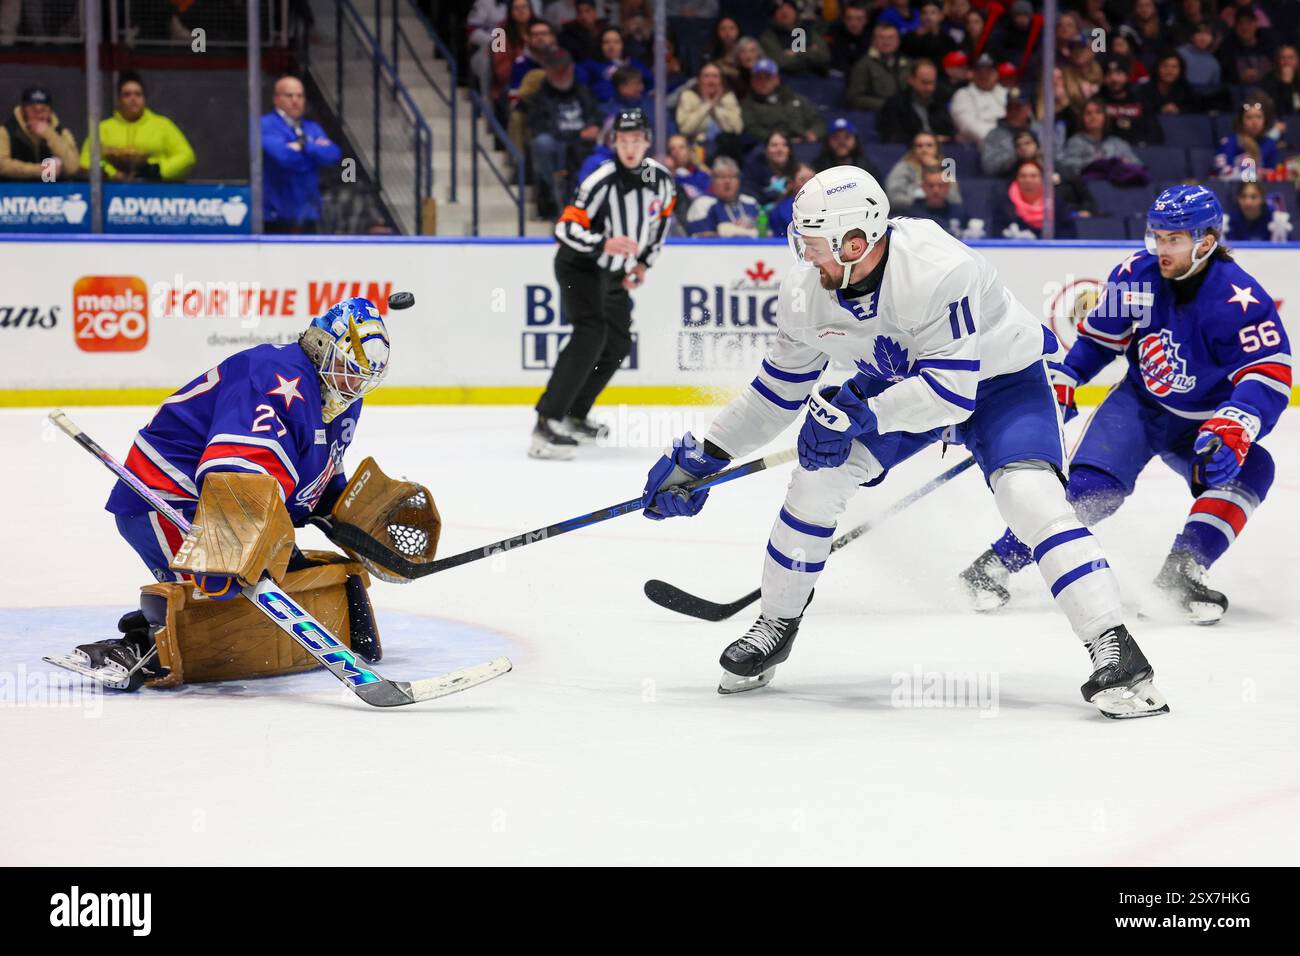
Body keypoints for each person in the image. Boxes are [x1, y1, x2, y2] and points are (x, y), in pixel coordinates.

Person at [639, 164, 1168, 718]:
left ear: (855, 239)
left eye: (815, 243)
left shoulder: (939, 269)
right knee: (816, 481)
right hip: (897, 384)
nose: (805, 256)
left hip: (999, 383)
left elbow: (953, 394)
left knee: (1029, 496)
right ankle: (777, 622)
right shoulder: (807, 291)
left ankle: (1115, 649)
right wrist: (705, 455)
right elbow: (774, 395)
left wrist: (859, 415)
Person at [48, 297, 416, 691]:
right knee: (226, 594)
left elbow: (316, 473)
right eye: (347, 370)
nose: (354, 384)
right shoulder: (272, 374)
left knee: (295, 580)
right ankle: (137, 648)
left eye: (363, 376)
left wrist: (345, 515)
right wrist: (235, 545)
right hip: (168, 495)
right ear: (321, 347)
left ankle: (164, 627)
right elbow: (238, 472)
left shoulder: (342, 397)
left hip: (239, 502)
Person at [961, 186, 1290, 626]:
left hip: (1203, 424)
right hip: (1139, 406)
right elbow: (1100, 339)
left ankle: (1182, 571)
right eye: (1157, 235)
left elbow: (1266, 373)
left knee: (1253, 468)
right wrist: (1068, 377)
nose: (1161, 248)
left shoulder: (1238, 299)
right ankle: (993, 566)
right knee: (1091, 492)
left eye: (1174, 239)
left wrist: (1237, 422)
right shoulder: (1137, 275)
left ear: (1206, 242)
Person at [535, 109, 677, 458]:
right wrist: (602, 242)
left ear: (647, 142)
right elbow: (564, 228)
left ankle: (574, 414)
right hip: (580, 266)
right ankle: (546, 421)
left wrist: (643, 263)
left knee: (616, 344)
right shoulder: (600, 180)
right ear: (615, 142)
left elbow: (661, 224)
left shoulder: (662, 180)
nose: (630, 147)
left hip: (613, 273)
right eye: (623, 140)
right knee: (590, 332)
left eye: (636, 140)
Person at [527, 47, 602, 218]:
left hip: (584, 146)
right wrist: (577, 135)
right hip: (557, 146)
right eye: (556, 70)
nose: (561, 74)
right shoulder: (540, 98)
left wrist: (596, 128)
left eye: (564, 69)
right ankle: (554, 190)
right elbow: (540, 128)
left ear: (571, 69)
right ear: (547, 71)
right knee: (542, 144)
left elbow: (596, 117)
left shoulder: (584, 91)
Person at [261, 75, 341, 234]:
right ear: (276, 99)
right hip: (277, 213)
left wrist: (303, 146)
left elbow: (333, 154)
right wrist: (314, 153)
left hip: (308, 211)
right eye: (289, 95)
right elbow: (285, 158)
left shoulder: (312, 127)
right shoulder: (265, 124)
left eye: (299, 95)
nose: (295, 100)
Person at [81, 71, 195, 182]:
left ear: (144, 98)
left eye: (138, 94)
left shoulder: (162, 125)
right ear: (119, 100)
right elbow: (87, 159)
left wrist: (157, 170)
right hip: (112, 191)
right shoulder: (103, 128)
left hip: (154, 191)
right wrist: (111, 172)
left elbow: (187, 156)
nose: (133, 99)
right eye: (127, 94)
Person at [0, 86, 80, 181]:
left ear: (50, 111)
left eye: (43, 109)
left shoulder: (61, 133)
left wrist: (50, 135)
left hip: (51, 192)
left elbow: (72, 168)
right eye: (33, 110)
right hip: (13, 192)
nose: (39, 114)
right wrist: (38, 170)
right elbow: (2, 165)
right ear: (23, 111)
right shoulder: (6, 131)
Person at [740, 58, 825, 144]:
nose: (763, 82)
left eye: (767, 77)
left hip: (805, 143)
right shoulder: (747, 105)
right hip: (772, 147)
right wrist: (776, 138)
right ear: (752, 81)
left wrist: (814, 133)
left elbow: (818, 122)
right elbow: (752, 129)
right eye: (758, 78)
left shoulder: (795, 98)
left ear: (776, 79)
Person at [1059, 96, 1143, 179]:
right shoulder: (1075, 142)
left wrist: (1122, 163)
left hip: (1117, 189)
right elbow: (1066, 167)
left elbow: (1138, 165)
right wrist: (1094, 163)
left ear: (1105, 117)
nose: (1093, 117)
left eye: (1098, 112)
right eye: (1088, 113)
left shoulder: (1117, 143)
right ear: (1081, 118)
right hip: (1087, 188)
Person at [877, 57, 957, 143]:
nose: (930, 88)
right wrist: (925, 140)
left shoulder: (938, 103)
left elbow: (950, 133)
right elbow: (892, 137)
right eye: (925, 83)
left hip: (940, 152)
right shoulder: (895, 104)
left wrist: (945, 138)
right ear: (911, 80)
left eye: (932, 83)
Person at [674, 61, 744, 158]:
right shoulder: (688, 96)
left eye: (715, 76)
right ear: (699, 80)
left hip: (726, 148)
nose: (711, 81)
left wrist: (715, 106)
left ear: (721, 80)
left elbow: (737, 128)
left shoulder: (728, 97)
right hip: (697, 148)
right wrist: (707, 105)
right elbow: (685, 129)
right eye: (706, 76)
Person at [885, 129, 962, 209]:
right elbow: (893, 199)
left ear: (937, 149)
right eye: (919, 146)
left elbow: (955, 200)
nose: (924, 150)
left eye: (929, 145)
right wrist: (919, 199)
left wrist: (936, 169)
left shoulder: (944, 169)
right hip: (910, 214)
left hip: (942, 214)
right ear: (913, 149)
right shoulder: (902, 168)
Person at [686, 157, 761, 237]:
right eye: (722, 177)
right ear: (712, 180)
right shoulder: (703, 203)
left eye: (732, 177)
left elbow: (765, 233)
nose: (727, 181)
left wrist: (734, 230)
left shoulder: (750, 202)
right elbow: (700, 239)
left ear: (739, 181)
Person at [1213, 92, 1281, 180]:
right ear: (1241, 122)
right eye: (1249, 117)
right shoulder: (1229, 142)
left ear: (1265, 120)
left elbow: (1272, 173)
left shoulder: (1270, 144)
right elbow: (1223, 172)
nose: (1254, 122)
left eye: (1258, 117)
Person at [847, 22, 911, 111]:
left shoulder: (907, 63)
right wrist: (886, 105)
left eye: (891, 38)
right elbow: (854, 98)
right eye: (881, 37)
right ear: (873, 41)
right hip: (877, 115)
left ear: (898, 41)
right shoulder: (863, 65)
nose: (886, 42)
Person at [1099, 57, 1163, 147]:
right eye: (1109, 74)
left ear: (1127, 77)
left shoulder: (1141, 100)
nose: (1114, 79)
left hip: (1139, 151)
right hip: (1105, 153)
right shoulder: (1097, 102)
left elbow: (1155, 131)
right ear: (1104, 79)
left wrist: (1144, 145)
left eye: (1119, 73)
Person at [759, 0, 831, 75]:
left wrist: (796, 53)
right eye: (779, 9)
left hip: (818, 77)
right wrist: (810, 52)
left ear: (795, 11)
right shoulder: (768, 36)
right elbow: (781, 63)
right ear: (772, 16)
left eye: (789, 7)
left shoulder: (808, 30)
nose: (784, 11)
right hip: (788, 80)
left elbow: (824, 56)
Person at [950, 53, 1007, 145]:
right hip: (978, 147)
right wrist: (1000, 138)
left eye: (988, 72)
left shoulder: (1006, 93)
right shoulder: (963, 94)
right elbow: (967, 126)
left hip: (1011, 142)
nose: (983, 75)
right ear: (972, 73)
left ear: (996, 73)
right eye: (979, 71)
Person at [812, 117, 885, 181]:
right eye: (836, 138)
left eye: (847, 137)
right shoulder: (817, 169)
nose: (841, 142)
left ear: (855, 141)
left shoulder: (868, 168)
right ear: (828, 141)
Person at [904, 163, 967, 235]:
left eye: (940, 185)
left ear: (948, 187)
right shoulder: (912, 215)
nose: (936, 190)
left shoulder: (959, 214)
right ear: (923, 187)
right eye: (931, 186)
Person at [741, 129, 799, 206]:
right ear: (766, 150)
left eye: (785, 145)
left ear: (790, 150)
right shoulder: (754, 169)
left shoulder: (798, 170)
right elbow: (749, 195)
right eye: (774, 145)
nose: (780, 149)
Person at [766, 162, 815, 237]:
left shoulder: (829, 204)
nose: (809, 183)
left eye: (812, 178)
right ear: (792, 184)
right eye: (802, 180)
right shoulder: (781, 211)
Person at [828, 1, 873, 75]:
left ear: (866, 20)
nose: (854, 23)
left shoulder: (873, 37)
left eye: (859, 19)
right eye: (849, 18)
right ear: (843, 19)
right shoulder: (834, 34)